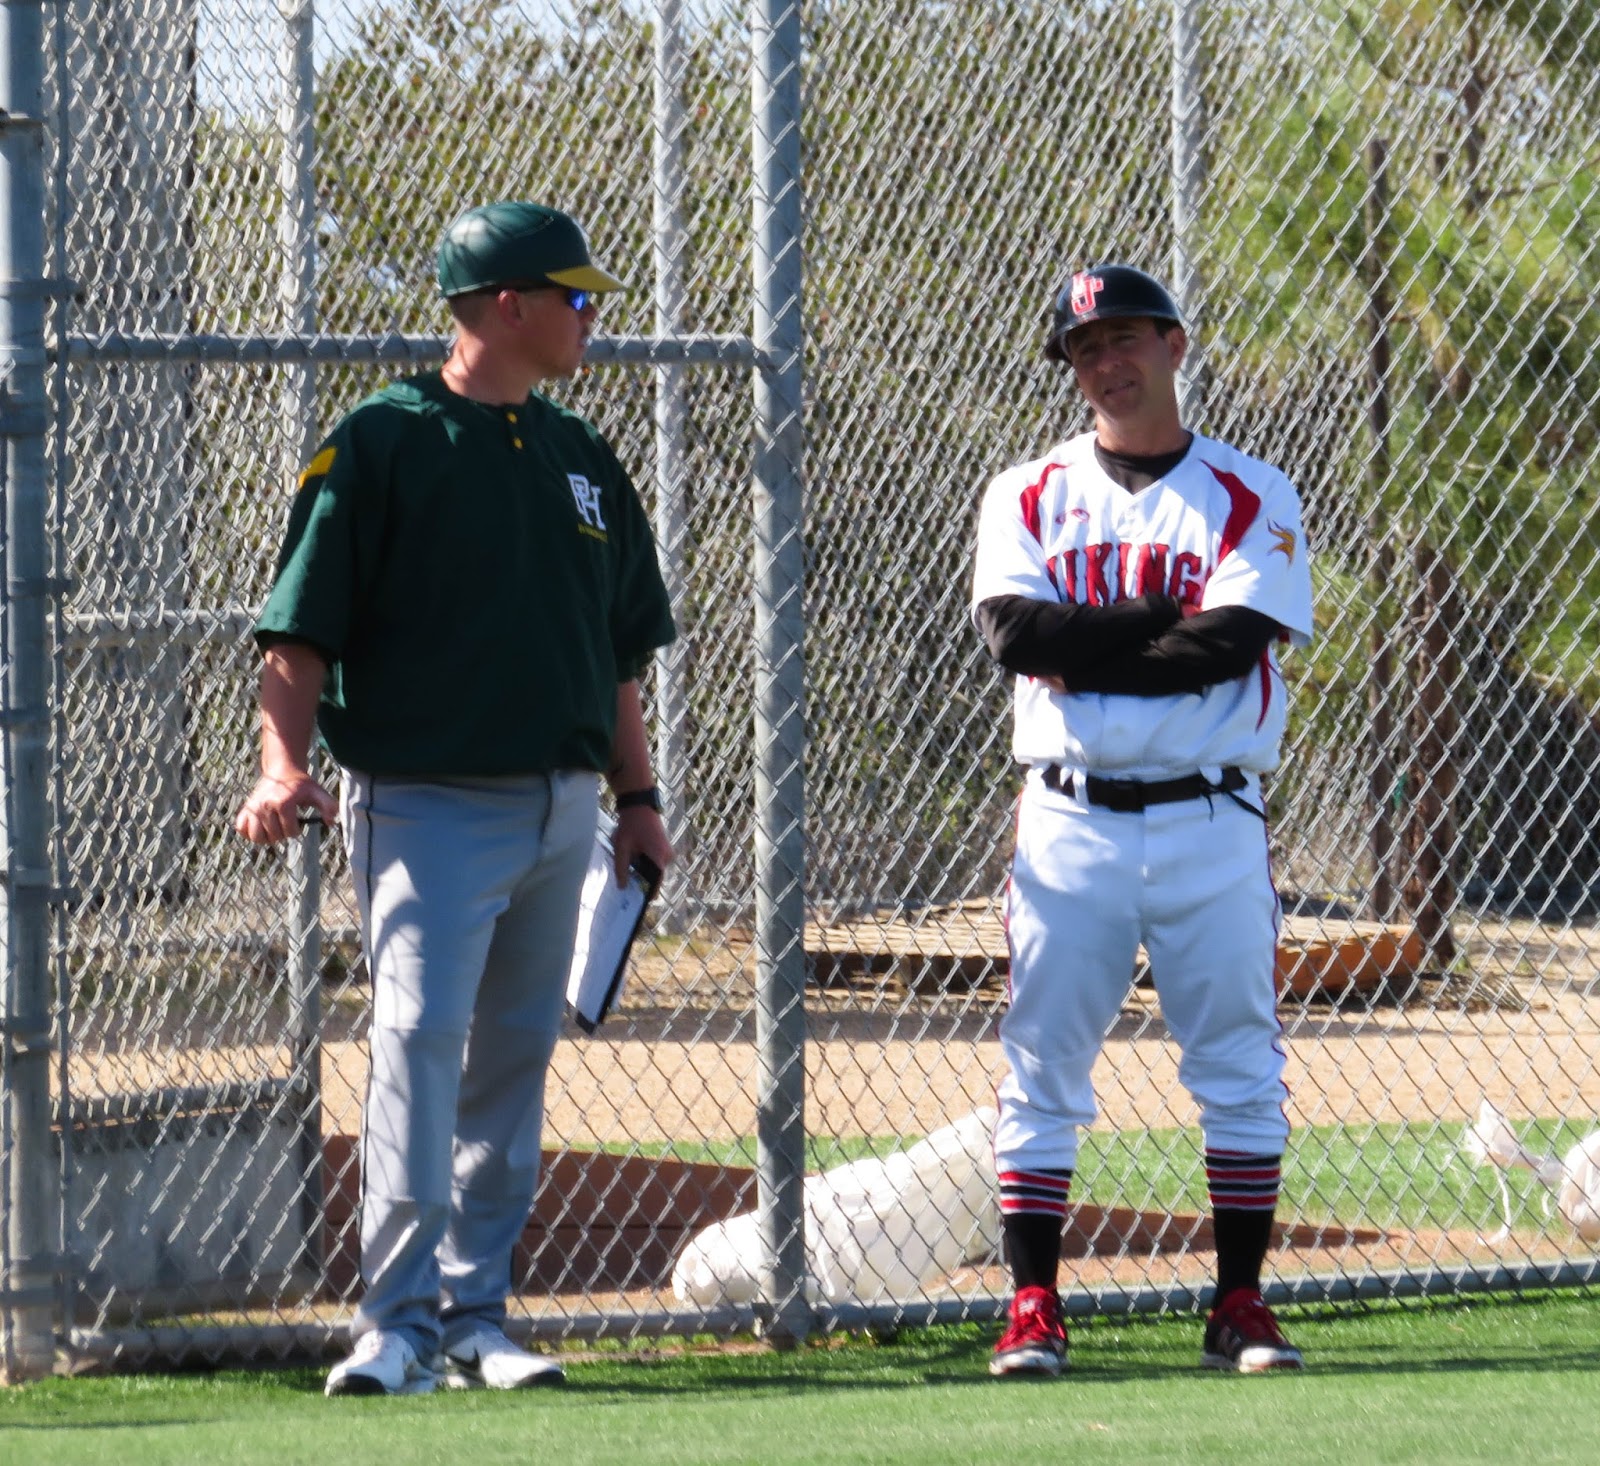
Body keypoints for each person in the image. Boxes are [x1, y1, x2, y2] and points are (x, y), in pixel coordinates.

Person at [234, 202, 676, 1396]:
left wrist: (635, 797)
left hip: (564, 807)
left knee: (511, 1062)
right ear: (508, 305)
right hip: (425, 803)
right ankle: (395, 1321)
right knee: (418, 1049)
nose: (591, 313)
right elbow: (297, 630)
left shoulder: (582, 455)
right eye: (572, 295)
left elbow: (618, 653)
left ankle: (479, 1314)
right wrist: (282, 763)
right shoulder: (382, 439)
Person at [969, 263, 1314, 1378]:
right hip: (1067, 819)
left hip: (1213, 814)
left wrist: (1094, 645)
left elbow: (1228, 644)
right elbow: (1018, 638)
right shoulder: (1024, 489)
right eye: (1082, 349)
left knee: (1237, 1063)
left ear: (1173, 344)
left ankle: (1240, 1300)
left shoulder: (1250, 489)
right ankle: (1031, 1303)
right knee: (1042, 1062)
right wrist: (1152, 611)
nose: (1104, 364)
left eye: (1123, 339)